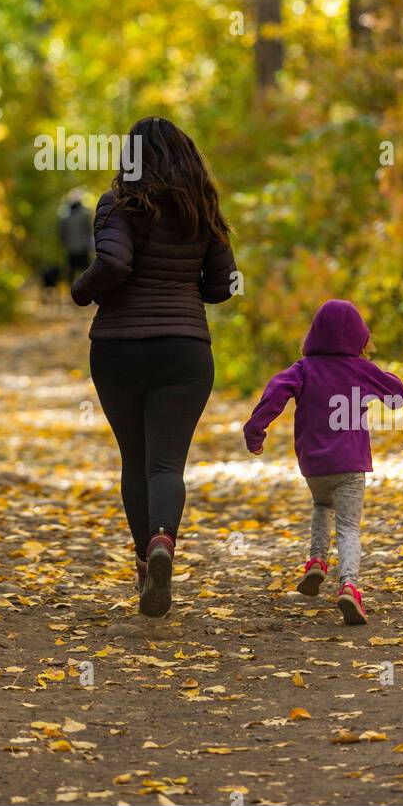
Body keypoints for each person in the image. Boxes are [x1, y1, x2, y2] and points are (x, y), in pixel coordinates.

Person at [71, 117, 236, 617]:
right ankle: (164, 541)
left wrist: (82, 290)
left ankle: (146, 563)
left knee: (135, 460)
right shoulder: (202, 210)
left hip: (120, 348)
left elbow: (115, 264)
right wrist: (187, 290)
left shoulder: (118, 204)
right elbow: (225, 283)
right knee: (166, 464)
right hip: (184, 350)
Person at [243, 298, 403, 625]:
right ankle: (349, 586)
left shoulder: (303, 370)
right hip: (351, 466)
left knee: (321, 506)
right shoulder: (361, 370)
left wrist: (255, 431)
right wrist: (376, 375)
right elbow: (398, 396)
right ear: (360, 338)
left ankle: (316, 561)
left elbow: (274, 393)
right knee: (348, 526)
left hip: (315, 466)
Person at [58, 193, 93, 284]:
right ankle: (89, 292)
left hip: (71, 250)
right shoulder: (85, 214)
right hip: (83, 249)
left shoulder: (65, 218)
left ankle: (72, 292)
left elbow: (62, 234)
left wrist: (65, 245)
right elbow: (89, 231)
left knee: (71, 273)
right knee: (87, 272)